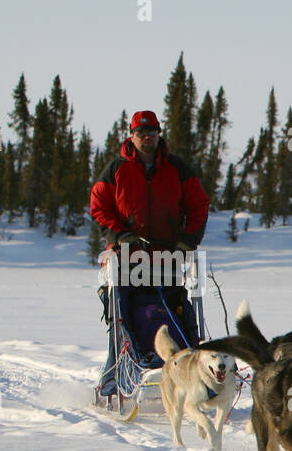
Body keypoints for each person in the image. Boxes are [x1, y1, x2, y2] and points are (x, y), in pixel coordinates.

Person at [90, 110, 210, 367]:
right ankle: (117, 375)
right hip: (125, 261)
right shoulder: (116, 170)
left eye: (151, 133)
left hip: (168, 259)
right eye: (141, 133)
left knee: (175, 315)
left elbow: (199, 204)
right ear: (131, 136)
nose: (147, 138)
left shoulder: (177, 169)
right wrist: (120, 235)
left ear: (158, 134)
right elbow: (98, 206)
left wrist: (189, 239)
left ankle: (186, 368)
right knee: (122, 320)